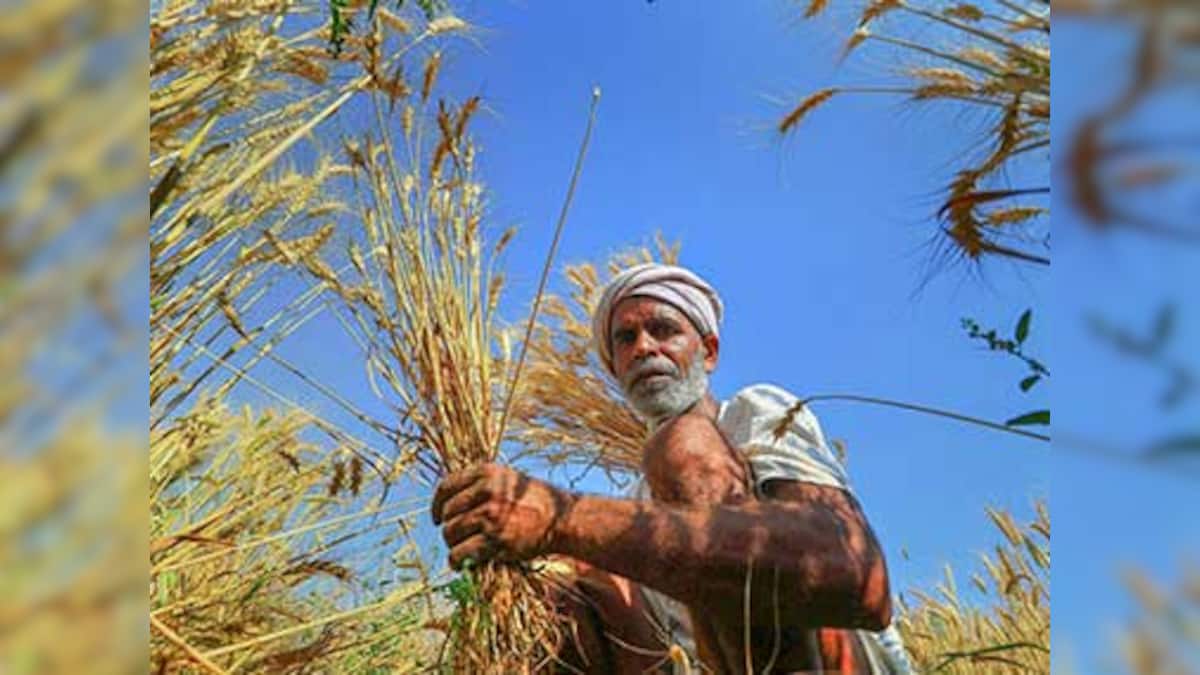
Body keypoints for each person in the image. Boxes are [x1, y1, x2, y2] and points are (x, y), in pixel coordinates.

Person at [431, 263, 912, 673]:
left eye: (663, 330)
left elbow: (857, 580)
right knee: (571, 581)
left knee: (681, 447)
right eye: (626, 339)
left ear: (709, 352)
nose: (643, 347)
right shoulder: (641, 501)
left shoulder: (756, 414)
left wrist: (558, 518)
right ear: (616, 369)